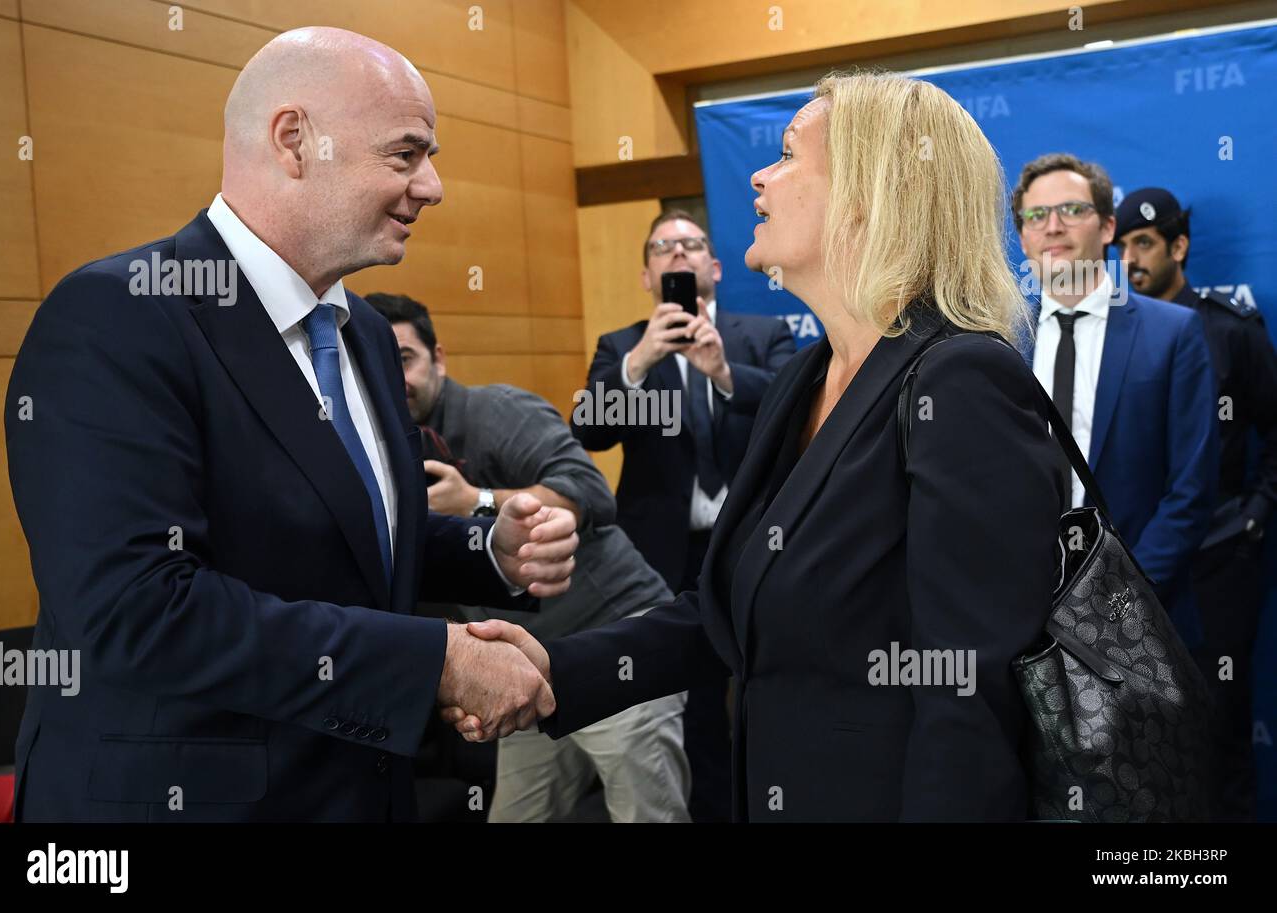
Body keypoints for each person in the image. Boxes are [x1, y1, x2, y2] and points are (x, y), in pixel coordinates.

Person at [447, 71, 1065, 822]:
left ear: (870, 194)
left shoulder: (963, 379)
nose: (759, 176)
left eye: (788, 154)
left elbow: (969, 695)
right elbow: (725, 614)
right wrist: (554, 668)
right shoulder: (805, 376)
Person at [3, 27, 575, 823]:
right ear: (295, 141)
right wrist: (435, 662)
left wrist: (488, 550)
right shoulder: (118, 316)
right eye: (406, 155)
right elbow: (138, 610)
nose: (434, 185)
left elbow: (336, 537)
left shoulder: (366, 335)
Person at [368, 293, 690, 822]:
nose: (394, 376)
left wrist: (476, 501)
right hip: (528, 662)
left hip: (616, 636)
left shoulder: (498, 410)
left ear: (438, 359)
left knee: (648, 815)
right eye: (379, 362)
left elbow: (591, 493)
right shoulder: (380, 444)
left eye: (405, 358)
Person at [572, 209, 795, 822]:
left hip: (754, 548)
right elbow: (588, 429)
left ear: (715, 268)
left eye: (691, 244)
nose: (678, 254)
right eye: (662, 248)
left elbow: (797, 411)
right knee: (687, 705)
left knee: (765, 691)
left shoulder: (763, 333)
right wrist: (639, 362)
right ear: (647, 275)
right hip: (660, 557)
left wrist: (722, 372)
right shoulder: (621, 346)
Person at [1115, 187, 1277, 821]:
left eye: (1145, 244)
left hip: (1217, 561)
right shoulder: (1106, 339)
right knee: (1135, 740)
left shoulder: (1228, 332)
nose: (1131, 258)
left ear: (1178, 247)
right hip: (1130, 569)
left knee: (1220, 728)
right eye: (1121, 245)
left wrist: (1255, 515)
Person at [1013, 156, 1219, 644]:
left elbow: (1191, 491)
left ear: (1107, 226)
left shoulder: (1173, 333)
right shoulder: (999, 341)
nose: (1053, 227)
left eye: (1071, 209)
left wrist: (1120, 602)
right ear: (1022, 236)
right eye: (1036, 216)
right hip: (1019, 619)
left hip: (1139, 619)